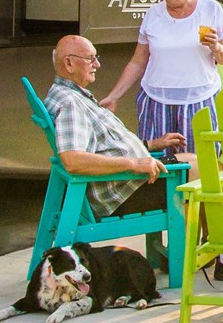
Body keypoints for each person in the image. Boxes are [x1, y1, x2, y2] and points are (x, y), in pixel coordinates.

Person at [100, 0, 223, 153]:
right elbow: (138, 61)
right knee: (157, 164)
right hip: (156, 100)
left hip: (199, 100)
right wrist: (114, 96)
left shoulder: (210, 9)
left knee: (200, 164)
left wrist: (216, 47)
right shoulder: (153, 14)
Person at [43, 33, 166, 234]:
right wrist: (134, 163)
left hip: (130, 180)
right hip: (123, 193)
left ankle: (202, 254)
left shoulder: (70, 94)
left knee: (202, 163)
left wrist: (149, 146)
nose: (97, 65)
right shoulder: (70, 103)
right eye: (91, 58)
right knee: (206, 173)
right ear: (69, 63)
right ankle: (202, 257)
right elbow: (73, 160)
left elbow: (103, 145)